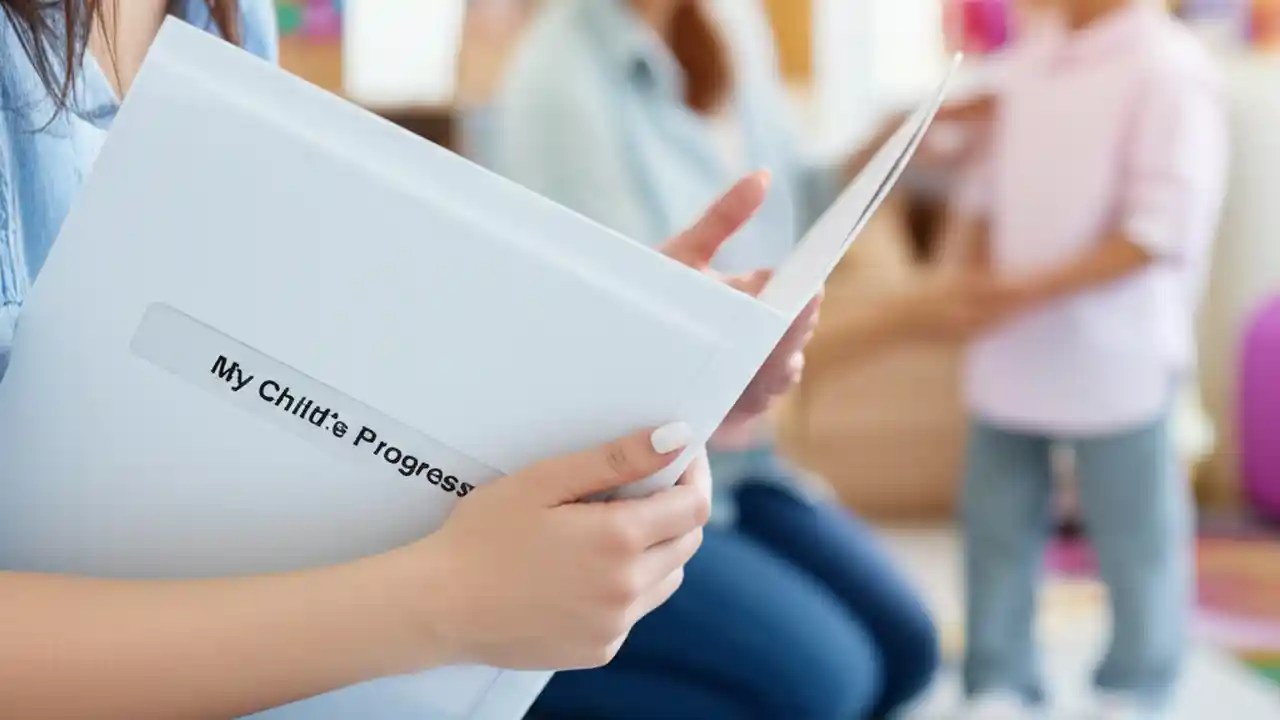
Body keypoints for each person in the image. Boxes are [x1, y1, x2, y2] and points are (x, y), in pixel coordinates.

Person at [0, 2, 816, 717]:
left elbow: (254, 372)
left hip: (262, 625)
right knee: (809, 677)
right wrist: (446, 600)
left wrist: (628, 370)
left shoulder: (225, 17)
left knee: (858, 657)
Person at [491, 1, 939, 717]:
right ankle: (509, 682)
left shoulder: (732, 28)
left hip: (739, 464)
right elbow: (617, 335)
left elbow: (785, 205)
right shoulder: (557, 80)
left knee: (908, 647)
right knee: (824, 685)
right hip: (638, 475)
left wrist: (882, 151)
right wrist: (916, 314)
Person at [937, 1, 1228, 718]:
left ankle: (1135, 686)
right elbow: (984, 184)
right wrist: (975, 275)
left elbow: (1159, 228)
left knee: (1136, 540)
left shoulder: (1168, 67)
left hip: (1116, 352)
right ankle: (998, 682)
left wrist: (1025, 290)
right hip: (1010, 350)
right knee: (996, 528)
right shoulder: (1027, 61)